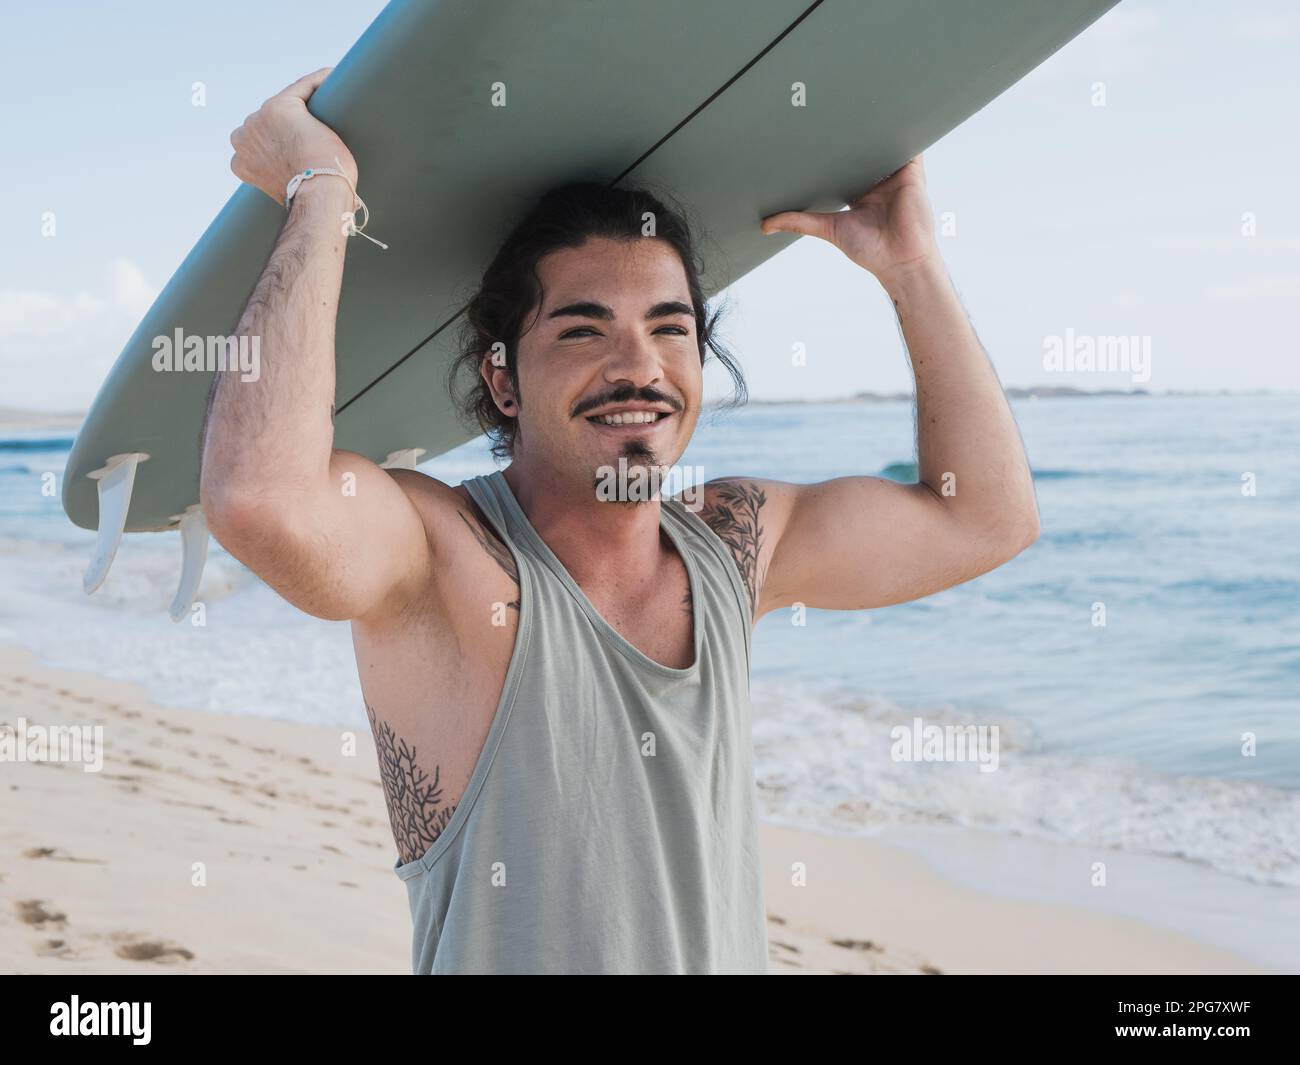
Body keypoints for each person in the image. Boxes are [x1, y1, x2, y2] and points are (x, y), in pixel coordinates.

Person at [203, 67, 1040, 974]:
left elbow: (986, 518)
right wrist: (320, 190)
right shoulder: (443, 558)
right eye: (582, 330)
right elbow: (263, 497)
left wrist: (912, 269)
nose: (637, 366)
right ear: (501, 379)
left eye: (671, 327)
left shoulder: (734, 545)